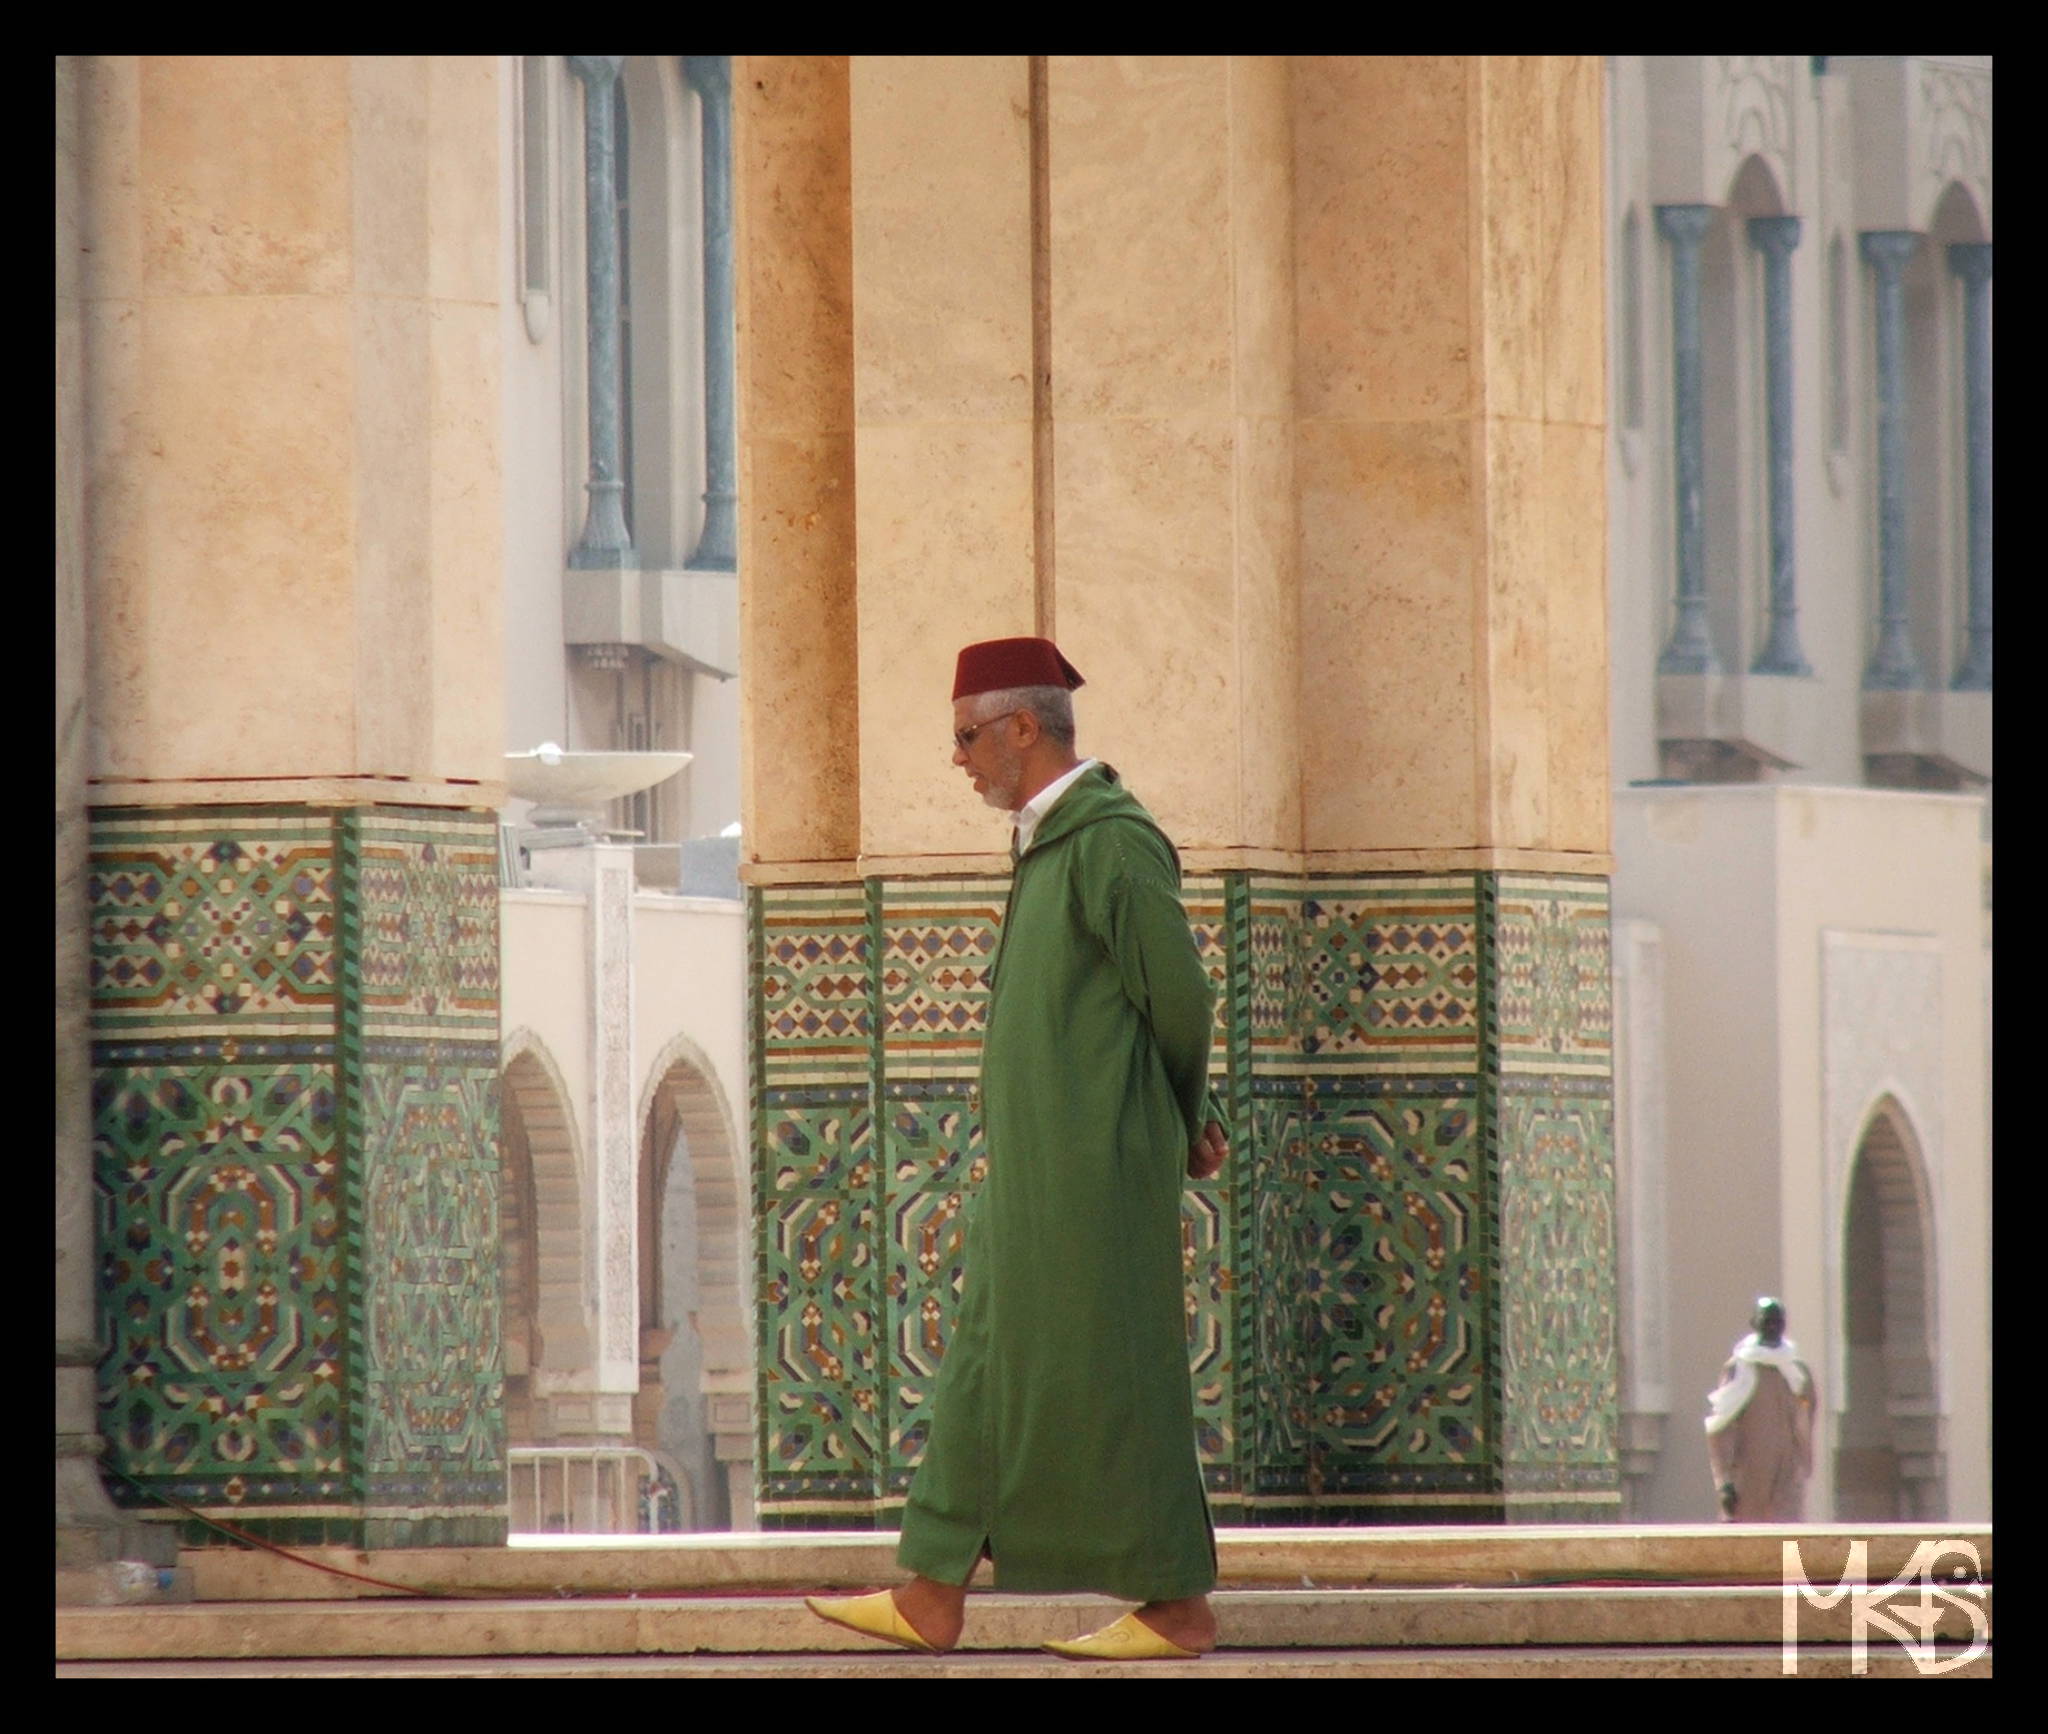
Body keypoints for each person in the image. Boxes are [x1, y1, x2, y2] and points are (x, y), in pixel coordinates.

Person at [806, 636, 1228, 1662]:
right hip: (1044, 1164)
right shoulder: (1049, 843)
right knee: (989, 1360)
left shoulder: (1110, 842)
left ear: (1022, 728)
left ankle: (1176, 1606)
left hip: (1100, 1165)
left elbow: (1178, 995)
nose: (958, 758)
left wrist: (1185, 1118)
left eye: (966, 737)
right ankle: (931, 1591)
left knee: (1121, 1370)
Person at [1704, 1297, 1817, 1521]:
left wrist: (1803, 1463)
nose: (1773, 1327)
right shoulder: (1739, 1369)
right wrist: (1724, 1483)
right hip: (1748, 1478)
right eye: (1767, 1322)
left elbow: (1807, 1418)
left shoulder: (1797, 1371)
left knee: (1789, 1536)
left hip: (1787, 1477)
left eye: (1778, 1322)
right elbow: (1720, 1428)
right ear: (1755, 1323)